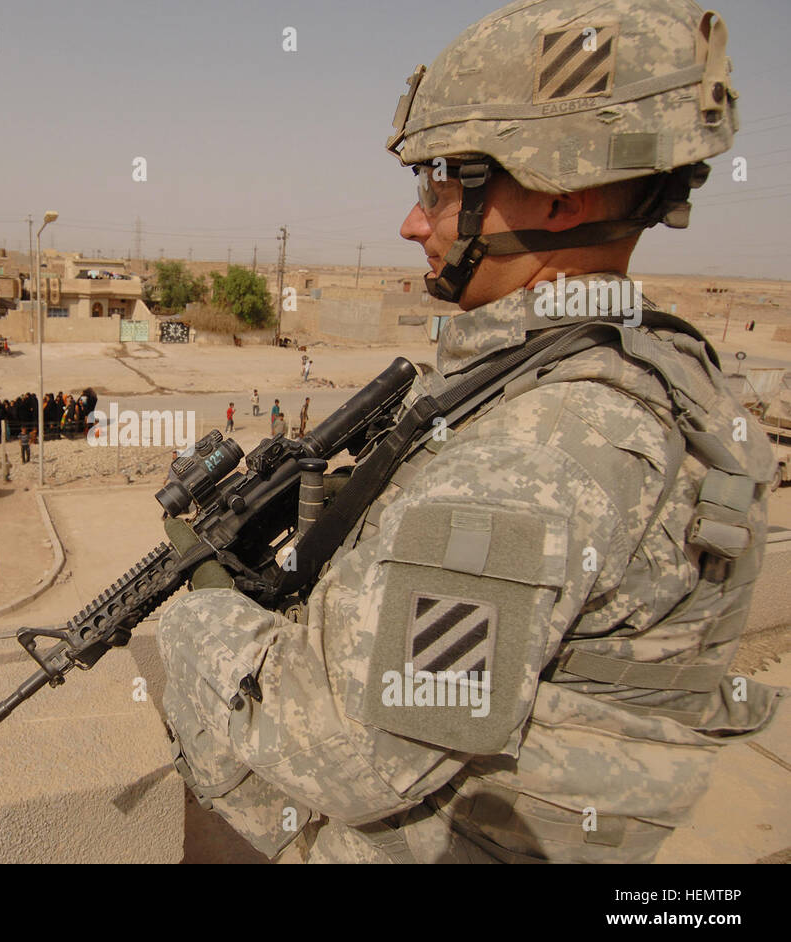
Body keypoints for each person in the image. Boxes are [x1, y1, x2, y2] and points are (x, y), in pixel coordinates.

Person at [155, 0, 780, 865]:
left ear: (563, 195)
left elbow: (340, 750)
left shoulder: (541, 448)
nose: (415, 221)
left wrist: (202, 617)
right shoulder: (623, 360)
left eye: (443, 184)